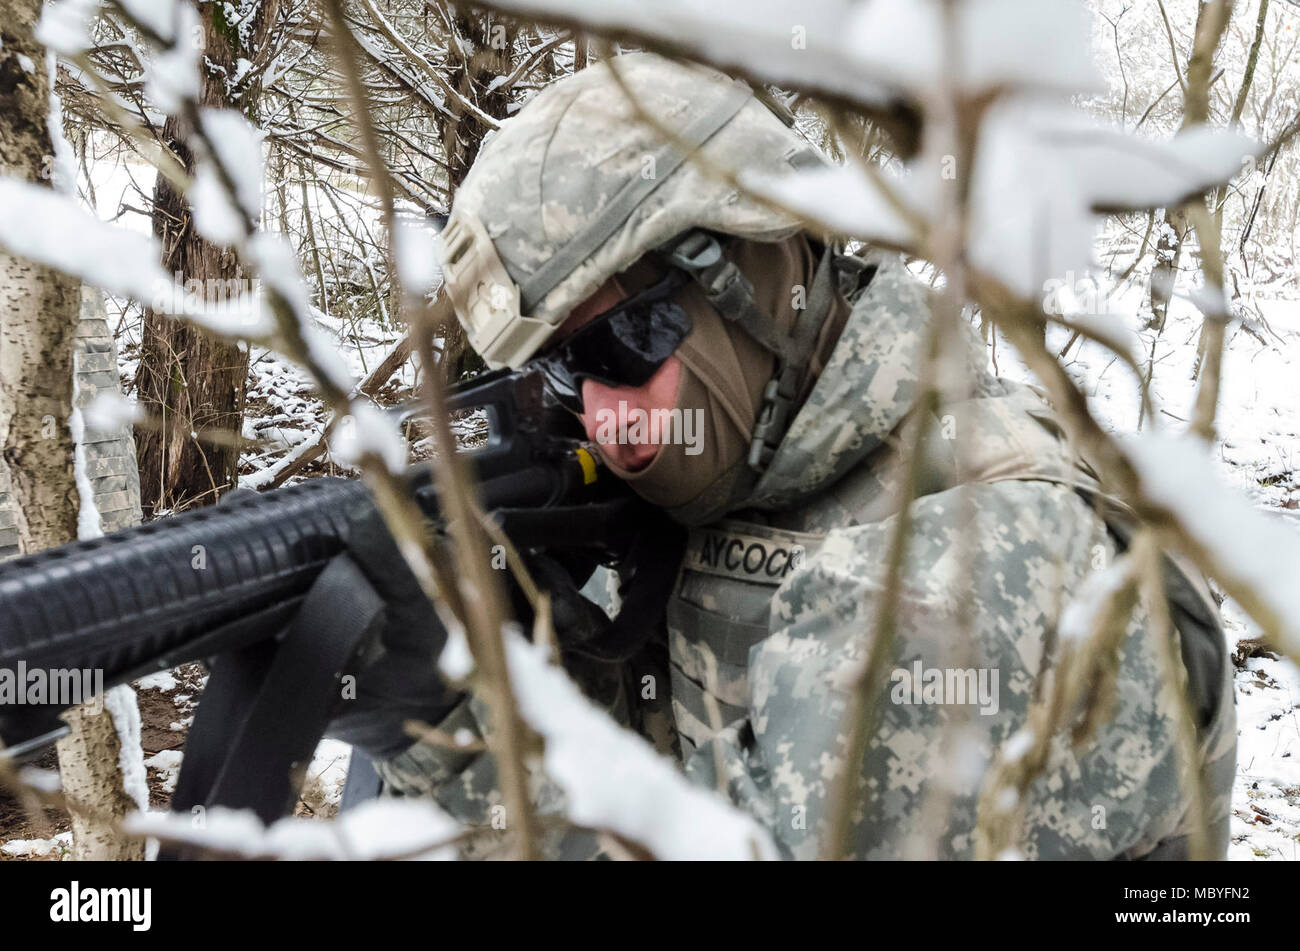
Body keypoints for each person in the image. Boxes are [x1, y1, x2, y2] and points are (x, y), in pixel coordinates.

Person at [364, 52, 1236, 859]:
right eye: (558, 372)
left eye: (622, 345)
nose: (601, 417)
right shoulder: (725, 469)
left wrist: (448, 734)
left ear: (760, 269)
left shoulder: (978, 563)